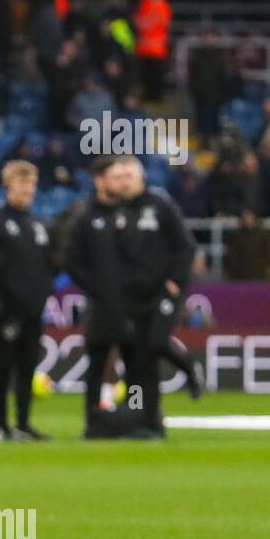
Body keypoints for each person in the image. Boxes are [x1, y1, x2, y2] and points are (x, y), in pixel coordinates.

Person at [115, 156, 198, 414]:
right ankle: (139, 412)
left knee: (155, 343)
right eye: (121, 177)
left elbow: (186, 245)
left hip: (162, 290)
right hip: (130, 294)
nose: (125, 182)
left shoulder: (160, 205)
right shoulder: (117, 211)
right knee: (135, 354)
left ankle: (186, 367)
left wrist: (176, 280)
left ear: (141, 178)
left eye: (129, 176)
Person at [67, 157, 133, 436]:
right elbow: (73, 260)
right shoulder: (85, 216)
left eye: (123, 177)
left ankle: (136, 418)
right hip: (100, 304)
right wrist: (95, 288)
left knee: (136, 365)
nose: (122, 182)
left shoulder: (132, 213)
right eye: (116, 177)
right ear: (100, 181)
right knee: (97, 364)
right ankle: (93, 421)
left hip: (132, 303)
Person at [0, 160, 54, 441]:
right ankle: (1, 425)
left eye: (31, 184)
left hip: (33, 310)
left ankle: (23, 423)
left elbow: (46, 266)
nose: (28, 189)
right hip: (5, 310)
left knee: (27, 368)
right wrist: (0, 301)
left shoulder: (38, 224)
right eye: (22, 183)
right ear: (8, 186)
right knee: (4, 367)